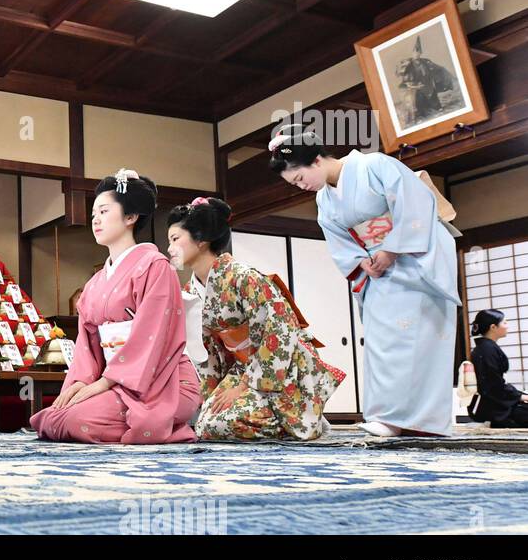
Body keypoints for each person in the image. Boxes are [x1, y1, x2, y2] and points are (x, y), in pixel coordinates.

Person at [269, 126, 458, 436]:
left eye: (300, 178)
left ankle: (423, 421)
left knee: (420, 341)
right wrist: (363, 262)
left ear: (316, 160)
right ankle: (388, 417)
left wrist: (392, 248)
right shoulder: (325, 200)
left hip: (415, 259)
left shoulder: (375, 166)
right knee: (382, 342)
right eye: (294, 184)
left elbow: (417, 205)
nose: (300, 186)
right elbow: (340, 241)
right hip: (380, 271)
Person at [29, 169, 200, 444]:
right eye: (94, 213)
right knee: (51, 418)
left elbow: (152, 337)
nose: (95, 219)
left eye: (104, 211)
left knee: (74, 421)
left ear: (131, 217)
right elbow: (87, 345)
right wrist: (82, 383)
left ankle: (172, 424)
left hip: (162, 381)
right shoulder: (95, 283)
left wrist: (104, 383)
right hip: (114, 380)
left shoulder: (156, 268)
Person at [167, 196, 344, 440]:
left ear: (201, 240)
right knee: (205, 425)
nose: (170, 249)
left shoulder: (243, 278)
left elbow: (281, 329)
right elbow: (207, 352)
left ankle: (302, 415)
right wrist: (208, 396)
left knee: (222, 424)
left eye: (175, 239)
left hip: (281, 365)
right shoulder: (190, 291)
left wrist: (244, 385)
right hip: (242, 368)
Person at [468, 309, 528, 428]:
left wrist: (519, 396)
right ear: (493, 327)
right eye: (504, 323)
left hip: (497, 401)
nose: (508, 326)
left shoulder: (486, 348)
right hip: (493, 408)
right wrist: (521, 397)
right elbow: (494, 386)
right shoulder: (486, 350)